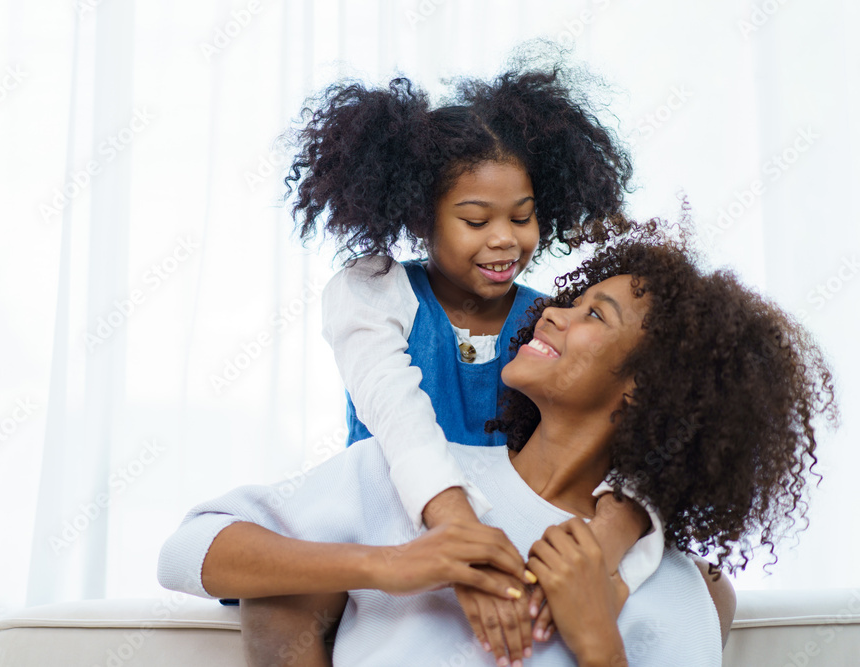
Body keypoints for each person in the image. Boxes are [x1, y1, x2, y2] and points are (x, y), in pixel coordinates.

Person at [158, 229, 837, 666]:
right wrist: (393, 564)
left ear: (642, 389)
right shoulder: (414, 481)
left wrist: (598, 640)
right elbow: (187, 551)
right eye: (571, 300)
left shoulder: (673, 588)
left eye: (594, 315)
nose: (549, 311)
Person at [249, 60, 666, 665]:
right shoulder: (373, 291)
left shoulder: (550, 319)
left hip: (520, 526)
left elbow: (636, 434)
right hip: (400, 523)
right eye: (476, 220)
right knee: (277, 596)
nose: (505, 239)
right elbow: (400, 418)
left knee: (712, 588)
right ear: (421, 217)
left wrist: (612, 536)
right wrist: (455, 533)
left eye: (522, 217)